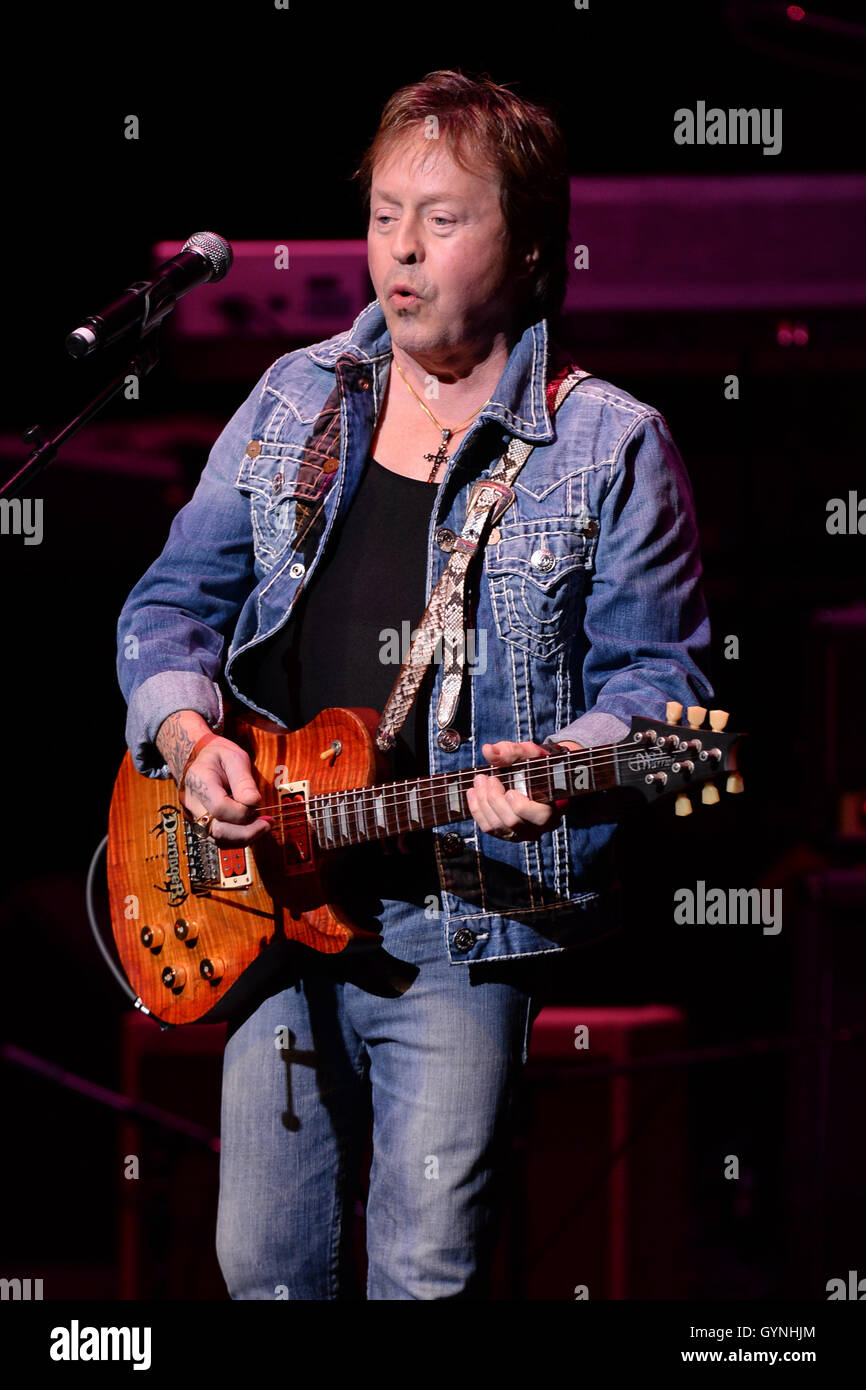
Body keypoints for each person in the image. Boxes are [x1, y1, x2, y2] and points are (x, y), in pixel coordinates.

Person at [116, 69, 712, 1300]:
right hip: (266, 899)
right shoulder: (295, 398)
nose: (400, 249)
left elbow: (659, 682)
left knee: (424, 1268)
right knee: (262, 1265)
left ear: (531, 244)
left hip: (459, 921)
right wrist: (184, 734)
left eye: (441, 219)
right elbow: (167, 605)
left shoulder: (608, 444)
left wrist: (565, 763)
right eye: (386, 213)